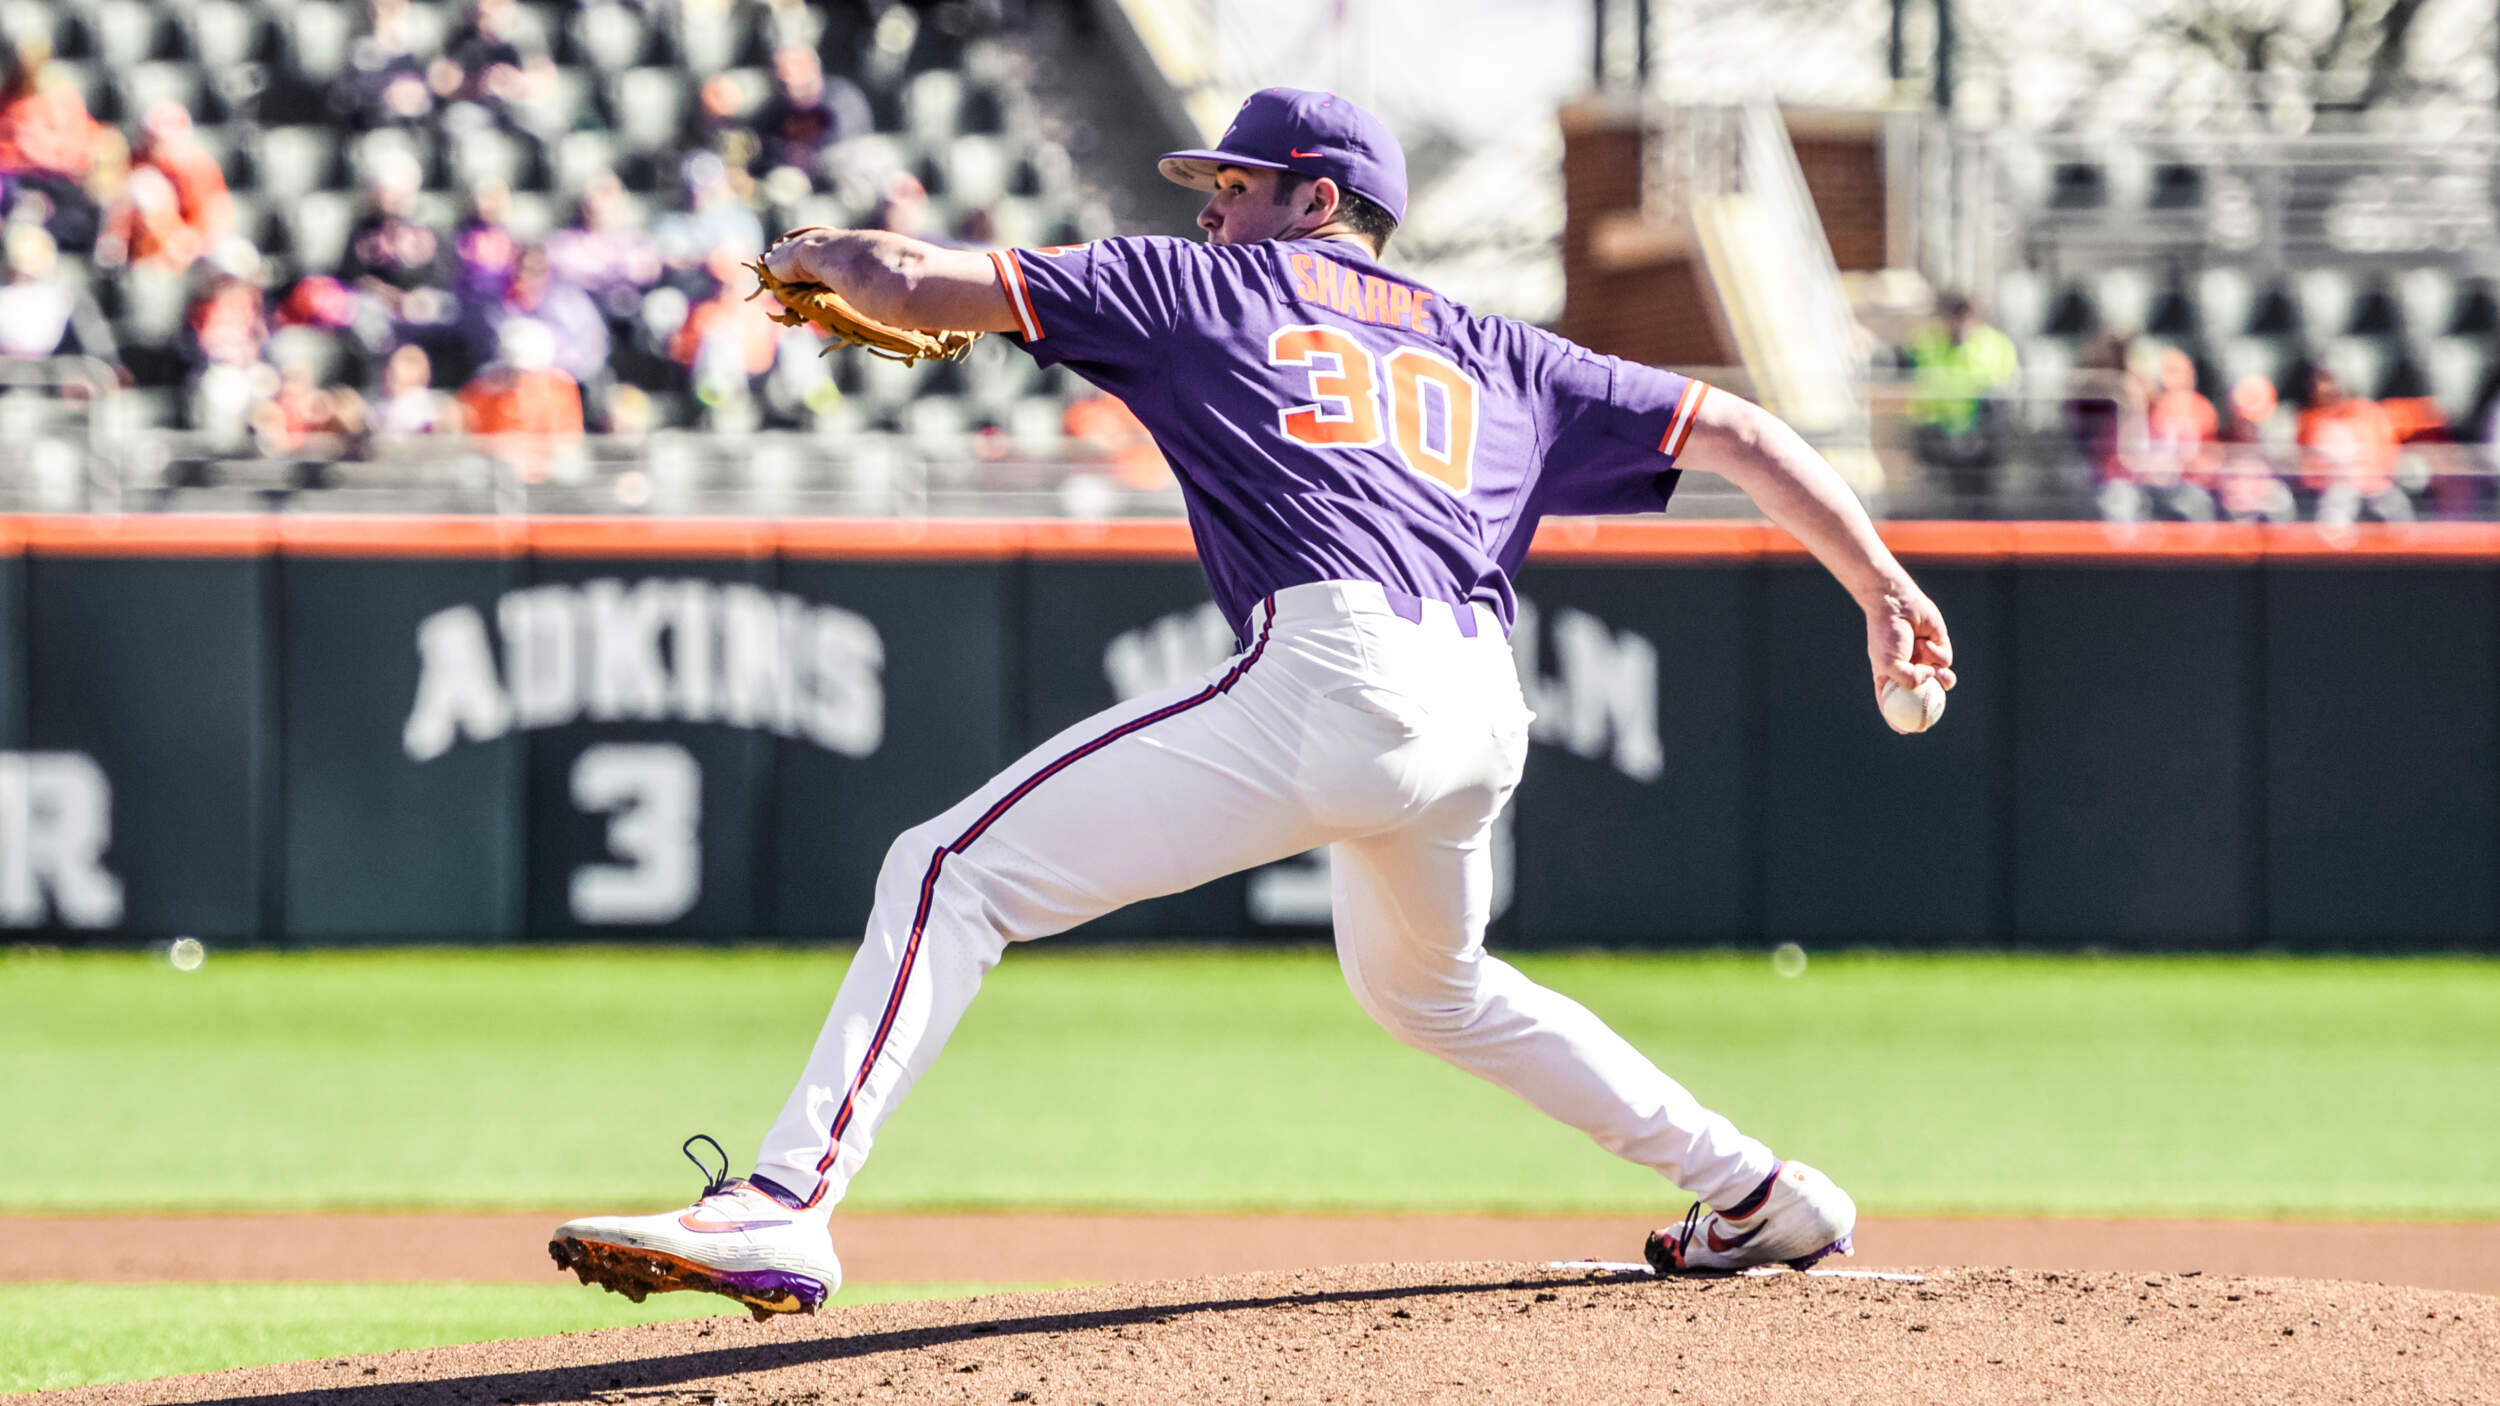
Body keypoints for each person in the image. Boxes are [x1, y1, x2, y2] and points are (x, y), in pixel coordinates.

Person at [549, 88, 1954, 1315]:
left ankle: (784, 1197)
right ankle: (1756, 1190)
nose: (1213, 208)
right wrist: (1881, 578)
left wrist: (797, 255)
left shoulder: (1207, 289)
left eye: (1235, 185)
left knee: (945, 870)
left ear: (1316, 198)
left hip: (1336, 669)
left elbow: (907, 280)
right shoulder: (1499, 347)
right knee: (1433, 988)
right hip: (1478, 710)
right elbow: (1743, 431)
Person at [1904, 293, 2017, 514]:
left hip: (1983, 436)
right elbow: (1903, 362)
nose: (1960, 322)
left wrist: (1978, 432)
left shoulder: (1995, 345)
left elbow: (2003, 396)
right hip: (1938, 435)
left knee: (1981, 498)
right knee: (1946, 499)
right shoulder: (1927, 342)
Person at [2297, 365, 2412, 527]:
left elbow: (2388, 454)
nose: (2328, 389)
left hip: (2374, 485)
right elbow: (2308, 471)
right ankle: (2334, 551)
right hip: (2336, 489)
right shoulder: (2311, 422)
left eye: (2332, 382)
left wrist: (2368, 479)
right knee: (2337, 504)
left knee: (2396, 506)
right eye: (2322, 383)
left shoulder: (2368, 413)